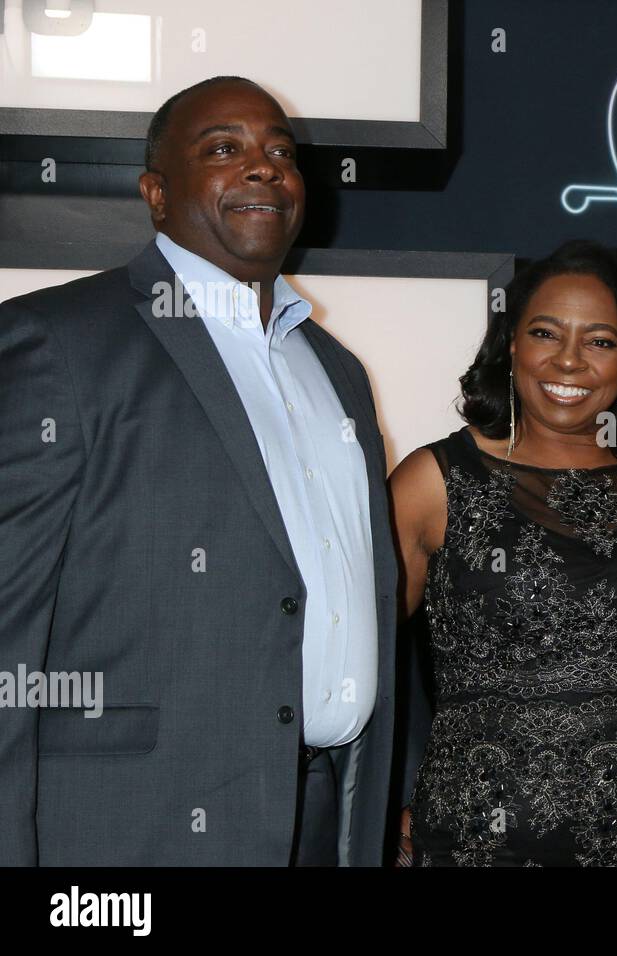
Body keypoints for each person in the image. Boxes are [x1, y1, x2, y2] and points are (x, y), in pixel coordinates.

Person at [0, 76, 397, 866]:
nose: (264, 167)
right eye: (224, 149)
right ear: (156, 194)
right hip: (130, 834)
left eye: (281, 151)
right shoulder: (59, 341)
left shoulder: (338, 371)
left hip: (318, 824)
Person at [388, 240, 617, 866]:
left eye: (600, 341)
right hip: (483, 838)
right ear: (512, 342)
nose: (569, 361)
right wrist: (389, 798)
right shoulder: (434, 481)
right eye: (546, 333)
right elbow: (366, 668)